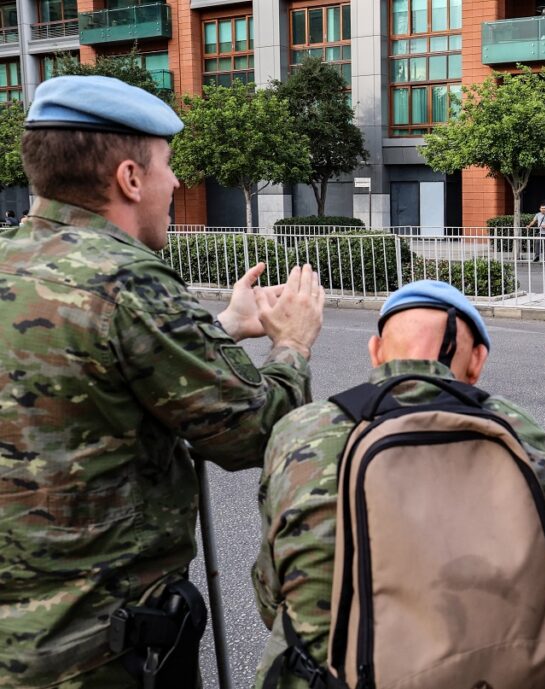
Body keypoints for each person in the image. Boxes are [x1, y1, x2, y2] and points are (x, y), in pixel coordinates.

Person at [0, 76, 326, 688]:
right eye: (167, 166)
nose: (176, 183)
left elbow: (91, 366)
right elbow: (252, 432)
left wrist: (221, 327)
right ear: (129, 178)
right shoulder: (128, 280)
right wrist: (292, 342)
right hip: (97, 648)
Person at [252, 280, 545, 689]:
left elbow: (269, 590)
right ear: (477, 360)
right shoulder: (519, 431)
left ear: (375, 352)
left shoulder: (302, 431)